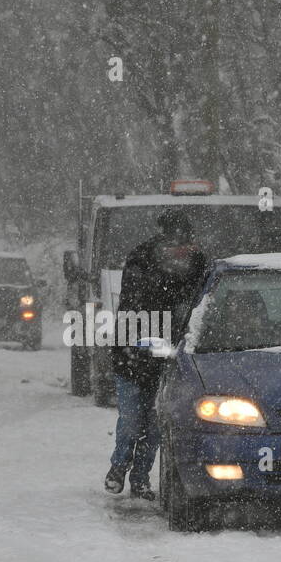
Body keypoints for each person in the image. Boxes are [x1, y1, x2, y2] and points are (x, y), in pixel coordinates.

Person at [105, 208, 209, 499]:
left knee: (154, 427)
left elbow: (200, 301)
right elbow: (136, 302)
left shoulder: (198, 263)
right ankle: (118, 468)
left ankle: (140, 479)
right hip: (132, 355)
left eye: (184, 241)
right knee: (130, 422)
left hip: (169, 357)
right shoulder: (141, 260)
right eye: (174, 241)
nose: (180, 248)